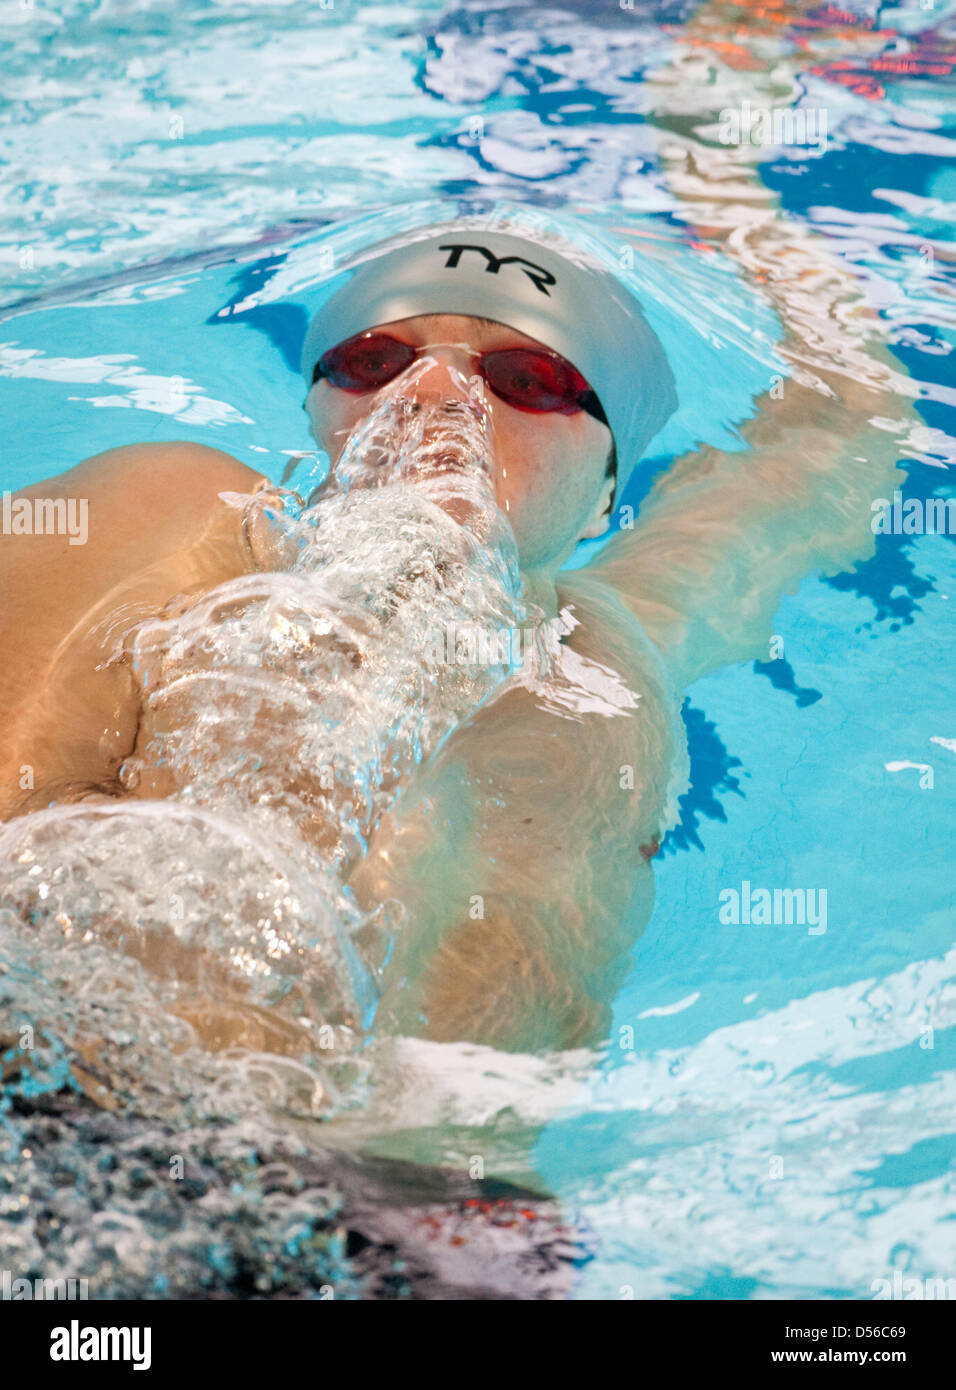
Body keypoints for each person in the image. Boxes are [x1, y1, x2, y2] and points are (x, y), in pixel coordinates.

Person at [0, 216, 908, 1052]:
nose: (434, 392)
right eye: (374, 361)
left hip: (407, 1209)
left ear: (603, 498)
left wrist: (735, 189)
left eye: (526, 378)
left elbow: (820, 455)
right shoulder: (168, 512)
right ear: (322, 414)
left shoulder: (605, 654)